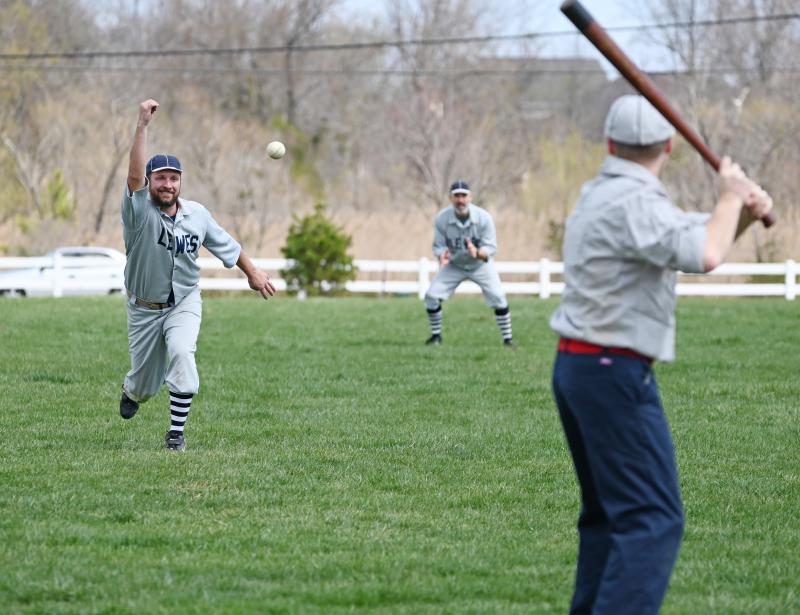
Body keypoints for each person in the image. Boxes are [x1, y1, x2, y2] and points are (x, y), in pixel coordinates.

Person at [550, 95, 772, 614]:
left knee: (608, 519)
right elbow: (706, 252)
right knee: (652, 519)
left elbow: (690, 244)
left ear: (609, 144)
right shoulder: (636, 202)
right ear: (669, 146)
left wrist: (738, 212)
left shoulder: (604, 194)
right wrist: (729, 194)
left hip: (581, 367)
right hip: (611, 371)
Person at [118, 99, 277, 451]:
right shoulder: (138, 213)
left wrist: (252, 272)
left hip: (184, 301)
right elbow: (132, 177)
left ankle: (176, 434)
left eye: (173, 178)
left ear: (180, 183)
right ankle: (132, 390)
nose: (167, 184)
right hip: (144, 308)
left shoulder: (197, 215)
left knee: (182, 352)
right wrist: (142, 125)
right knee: (144, 386)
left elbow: (227, 244)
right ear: (150, 181)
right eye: (160, 178)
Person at [424, 180, 513, 346]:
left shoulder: (484, 218)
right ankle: (436, 337)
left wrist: (477, 253)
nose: (460, 200)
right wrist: (442, 255)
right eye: (456, 196)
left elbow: (491, 248)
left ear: (470, 197)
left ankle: (508, 340)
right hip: (454, 264)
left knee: (498, 296)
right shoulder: (442, 218)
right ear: (450, 198)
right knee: (432, 296)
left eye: (463, 196)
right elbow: (438, 245)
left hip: (480, 265)